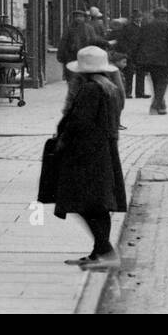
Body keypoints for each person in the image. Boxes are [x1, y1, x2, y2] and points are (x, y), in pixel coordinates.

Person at [53, 46, 128, 268]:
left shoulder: (90, 89)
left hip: (86, 153)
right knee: (97, 203)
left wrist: (63, 138)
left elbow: (79, 122)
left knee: (84, 201)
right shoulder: (110, 87)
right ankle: (99, 252)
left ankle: (106, 252)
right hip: (103, 149)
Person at [137, 8, 168, 115]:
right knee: (163, 81)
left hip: (148, 59)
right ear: (164, 16)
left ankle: (161, 104)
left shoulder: (145, 26)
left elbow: (139, 42)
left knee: (155, 81)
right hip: (164, 59)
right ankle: (155, 105)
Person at [57, 10, 96, 81]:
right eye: (76, 17)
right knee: (72, 78)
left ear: (84, 18)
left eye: (80, 17)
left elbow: (93, 42)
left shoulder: (89, 29)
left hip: (86, 57)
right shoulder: (69, 29)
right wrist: (61, 54)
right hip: (71, 57)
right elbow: (63, 42)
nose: (78, 18)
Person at [120, 10, 146, 98]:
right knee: (129, 73)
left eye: (140, 17)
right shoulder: (127, 27)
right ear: (133, 18)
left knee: (141, 72)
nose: (139, 19)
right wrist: (127, 51)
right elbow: (123, 40)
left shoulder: (143, 27)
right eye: (137, 17)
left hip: (140, 52)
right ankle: (128, 92)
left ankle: (140, 92)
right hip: (131, 52)